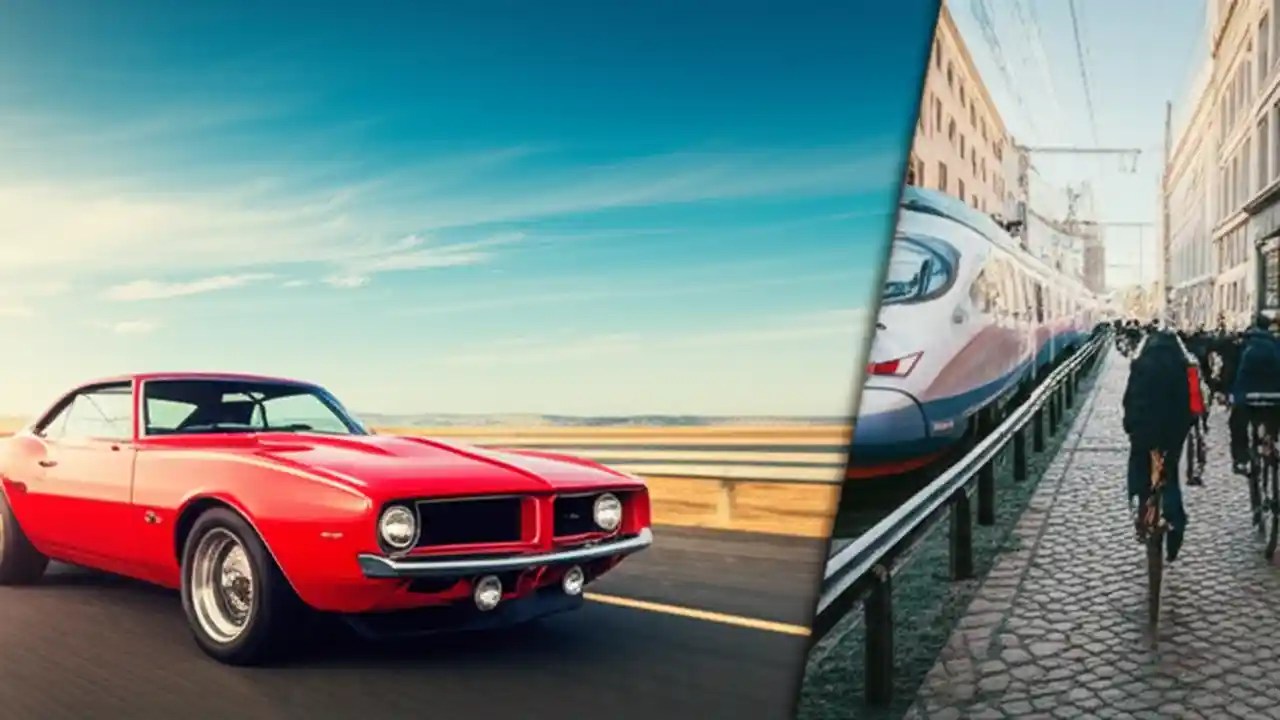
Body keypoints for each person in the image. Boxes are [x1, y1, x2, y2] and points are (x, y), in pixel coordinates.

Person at [1123, 329, 1194, 562]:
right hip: (1173, 431)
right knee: (1168, 473)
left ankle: (1139, 505)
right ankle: (1176, 523)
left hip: (1144, 431)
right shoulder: (1186, 366)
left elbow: (1129, 399)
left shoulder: (1140, 364)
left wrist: (1130, 425)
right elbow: (1195, 403)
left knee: (1139, 466)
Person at [1230, 315, 1280, 474]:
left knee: (1237, 423)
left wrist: (1228, 392)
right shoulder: (1276, 344)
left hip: (1247, 397)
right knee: (1274, 420)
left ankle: (1241, 459)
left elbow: (1232, 370)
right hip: (1275, 397)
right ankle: (1273, 443)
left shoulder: (1244, 344)